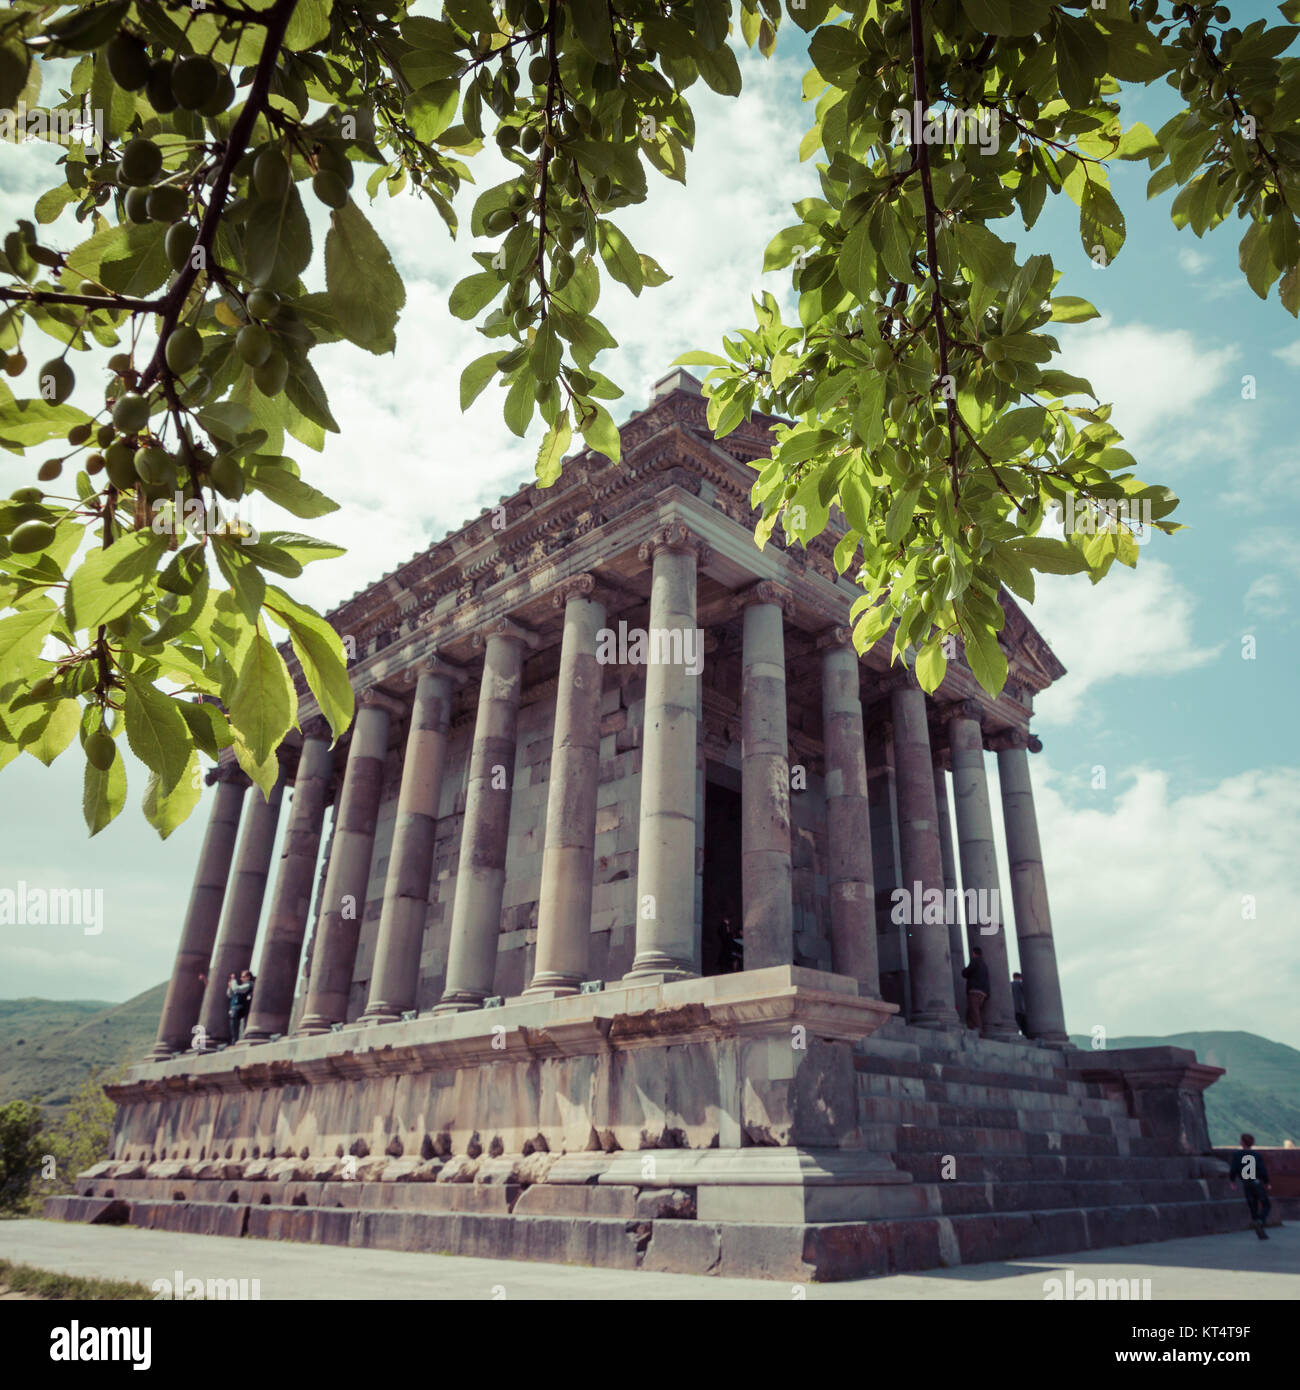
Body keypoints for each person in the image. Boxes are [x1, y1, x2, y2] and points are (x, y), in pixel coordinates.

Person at [1228, 1133, 1272, 1239]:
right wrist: (1267, 1182)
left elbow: (1233, 1169)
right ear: (1252, 1143)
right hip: (1255, 1182)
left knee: (1253, 1207)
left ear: (1242, 1142)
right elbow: (1262, 1170)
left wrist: (1232, 1181)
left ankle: (1259, 1228)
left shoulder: (1237, 1155)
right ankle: (1260, 1222)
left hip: (1246, 1184)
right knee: (1266, 1204)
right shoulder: (1256, 1155)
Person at [961, 947, 990, 1033]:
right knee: (970, 1013)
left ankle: (978, 1031)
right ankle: (972, 1031)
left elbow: (966, 972)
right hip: (983, 993)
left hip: (974, 991)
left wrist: (963, 971)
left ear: (973, 953)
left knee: (974, 1012)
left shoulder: (975, 961)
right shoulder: (984, 965)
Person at [227, 969, 255, 1041]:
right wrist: (230, 987)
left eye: (243, 977)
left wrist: (233, 981)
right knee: (233, 1025)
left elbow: (237, 989)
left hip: (242, 1007)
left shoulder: (249, 984)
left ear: (248, 977)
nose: (241, 978)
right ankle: (234, 1039)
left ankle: (238, 1039)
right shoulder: (243, 985)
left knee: (240, 1025)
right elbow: (230, 995)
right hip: (235, 1008)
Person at [1011, 971, 1030, 1037]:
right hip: (1021, 1009)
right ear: (1020, 977)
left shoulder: (1010, 984)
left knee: (1017, 1026)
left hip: (1014, 1009)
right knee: (1025, 1028)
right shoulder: (1020, 984)